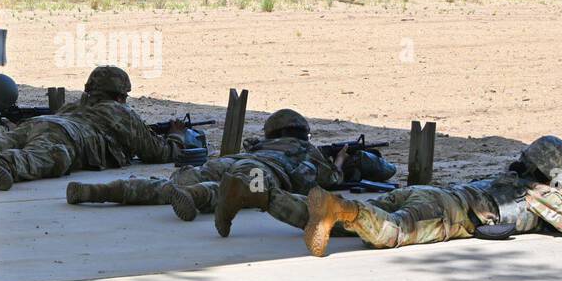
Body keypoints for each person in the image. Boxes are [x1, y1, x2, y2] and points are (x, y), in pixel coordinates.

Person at [268, 135, 562, 257]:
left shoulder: (509, 178)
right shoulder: (538, 192)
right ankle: (340, 208)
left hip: (430, 194)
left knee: (350, 229)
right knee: (390, 233)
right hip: (444, 211)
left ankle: (264, 198)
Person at [64, 108, 349, 236]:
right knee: (230, 191)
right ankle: (194, 197)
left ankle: (102, 191)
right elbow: (332, 179)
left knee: (164, 185)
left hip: (229, 160)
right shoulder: (305, 150)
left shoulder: (259, 144)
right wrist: (339, 160)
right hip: (261, 171)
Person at [0, 65, 188, 190]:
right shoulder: (120, 112)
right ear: (120, 96)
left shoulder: (75, 105)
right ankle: (3, 164)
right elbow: (157, 153)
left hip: (40, 123)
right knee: (46, 156)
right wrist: (176, 136)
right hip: (67, 136)